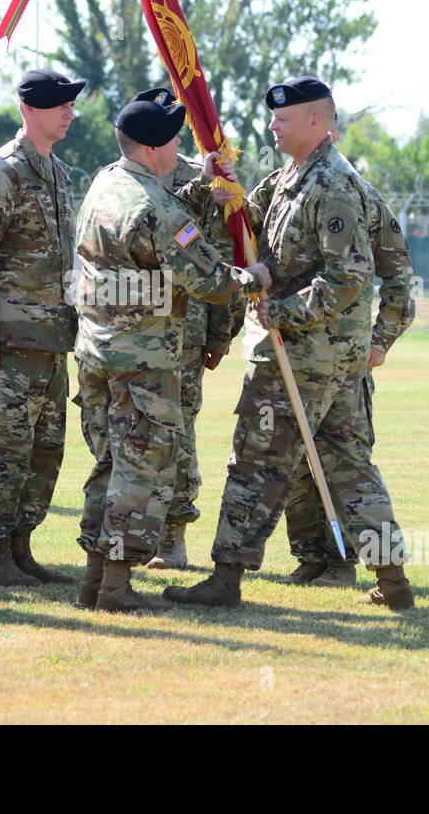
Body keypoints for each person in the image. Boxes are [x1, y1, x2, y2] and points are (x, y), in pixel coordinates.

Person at [164, 76, 415, 610]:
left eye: (283, 120)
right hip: (326, 359)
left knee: (257, 462)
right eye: (273, 119)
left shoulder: (333, 187)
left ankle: (226, 578)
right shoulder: (287, 179)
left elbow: (348, 278)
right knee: (349, 467)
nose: (273, 126)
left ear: (317, 123)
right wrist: (220, 187)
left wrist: (278, 311)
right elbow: (245, 224)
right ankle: (392, 581)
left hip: (302, 354)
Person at [73, 90, 270, 611]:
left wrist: (203, 183)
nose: (180, 141)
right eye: (174, 136)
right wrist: (253, 278)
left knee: (109, 465)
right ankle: (115, 586)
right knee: (142, 468)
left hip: (97, 350)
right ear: (155, 146)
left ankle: (93, 580)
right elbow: (208, 278)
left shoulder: (106, 184)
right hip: (145, 359)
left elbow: (157, 231)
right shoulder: (156, 208)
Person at [0, 69, 84, 588]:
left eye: (71, 105)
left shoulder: (58, 173)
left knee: (45, 449)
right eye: (59, 105)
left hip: (51, 341)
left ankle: (22, 547)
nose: (69, 113)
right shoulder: (0, 174)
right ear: (30, 109)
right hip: (7, 343)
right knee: (6, 447)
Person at [284, 146, 415, 587]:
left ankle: (354, 565)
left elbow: (399, 276)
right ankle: (315, 557)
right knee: (298, 463)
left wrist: (380, 342)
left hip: (343, 359)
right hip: (295, 353)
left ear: (326, 126)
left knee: (347, 463)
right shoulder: (288, 184)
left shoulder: (357, 193)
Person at [147, 121, 245, 570]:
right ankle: (133, 532)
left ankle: (173, 536)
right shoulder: (119, 178)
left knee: (180, 429)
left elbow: (219, 258)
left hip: (187, 329)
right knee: (132, 429)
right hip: (135, 330)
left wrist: (222, 332)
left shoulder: (201, 179)